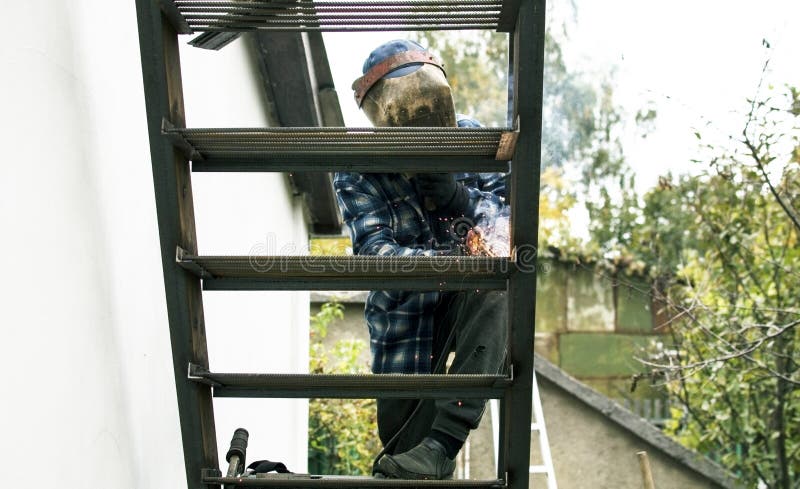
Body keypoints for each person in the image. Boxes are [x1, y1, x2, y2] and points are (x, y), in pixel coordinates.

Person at [333, 39, 509, 480]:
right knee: (402, 461)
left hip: (466, 302)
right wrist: (449, 261)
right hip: (404, 325)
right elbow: (377, 254)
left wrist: (459, 197)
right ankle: (426, 452)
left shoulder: (472, 139)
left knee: (497, 279)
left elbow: (504, 230)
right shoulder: (357, 164)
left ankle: (443, 442)